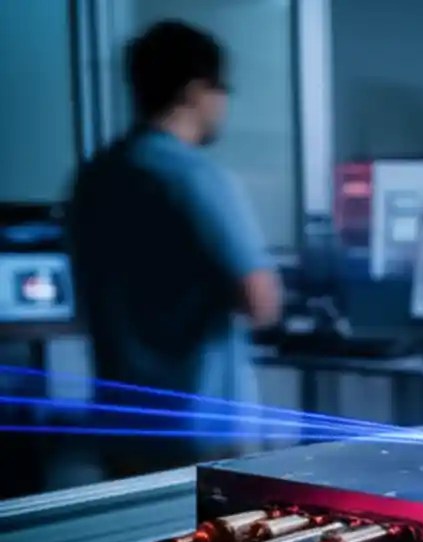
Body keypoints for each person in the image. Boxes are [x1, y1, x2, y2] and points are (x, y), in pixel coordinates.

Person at [66, 21, 282, 479]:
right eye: (221, 90)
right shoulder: (194, 178)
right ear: (195, 90)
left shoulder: (95, 177)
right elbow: (260, 301)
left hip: (123, 429)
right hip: (200, 433)